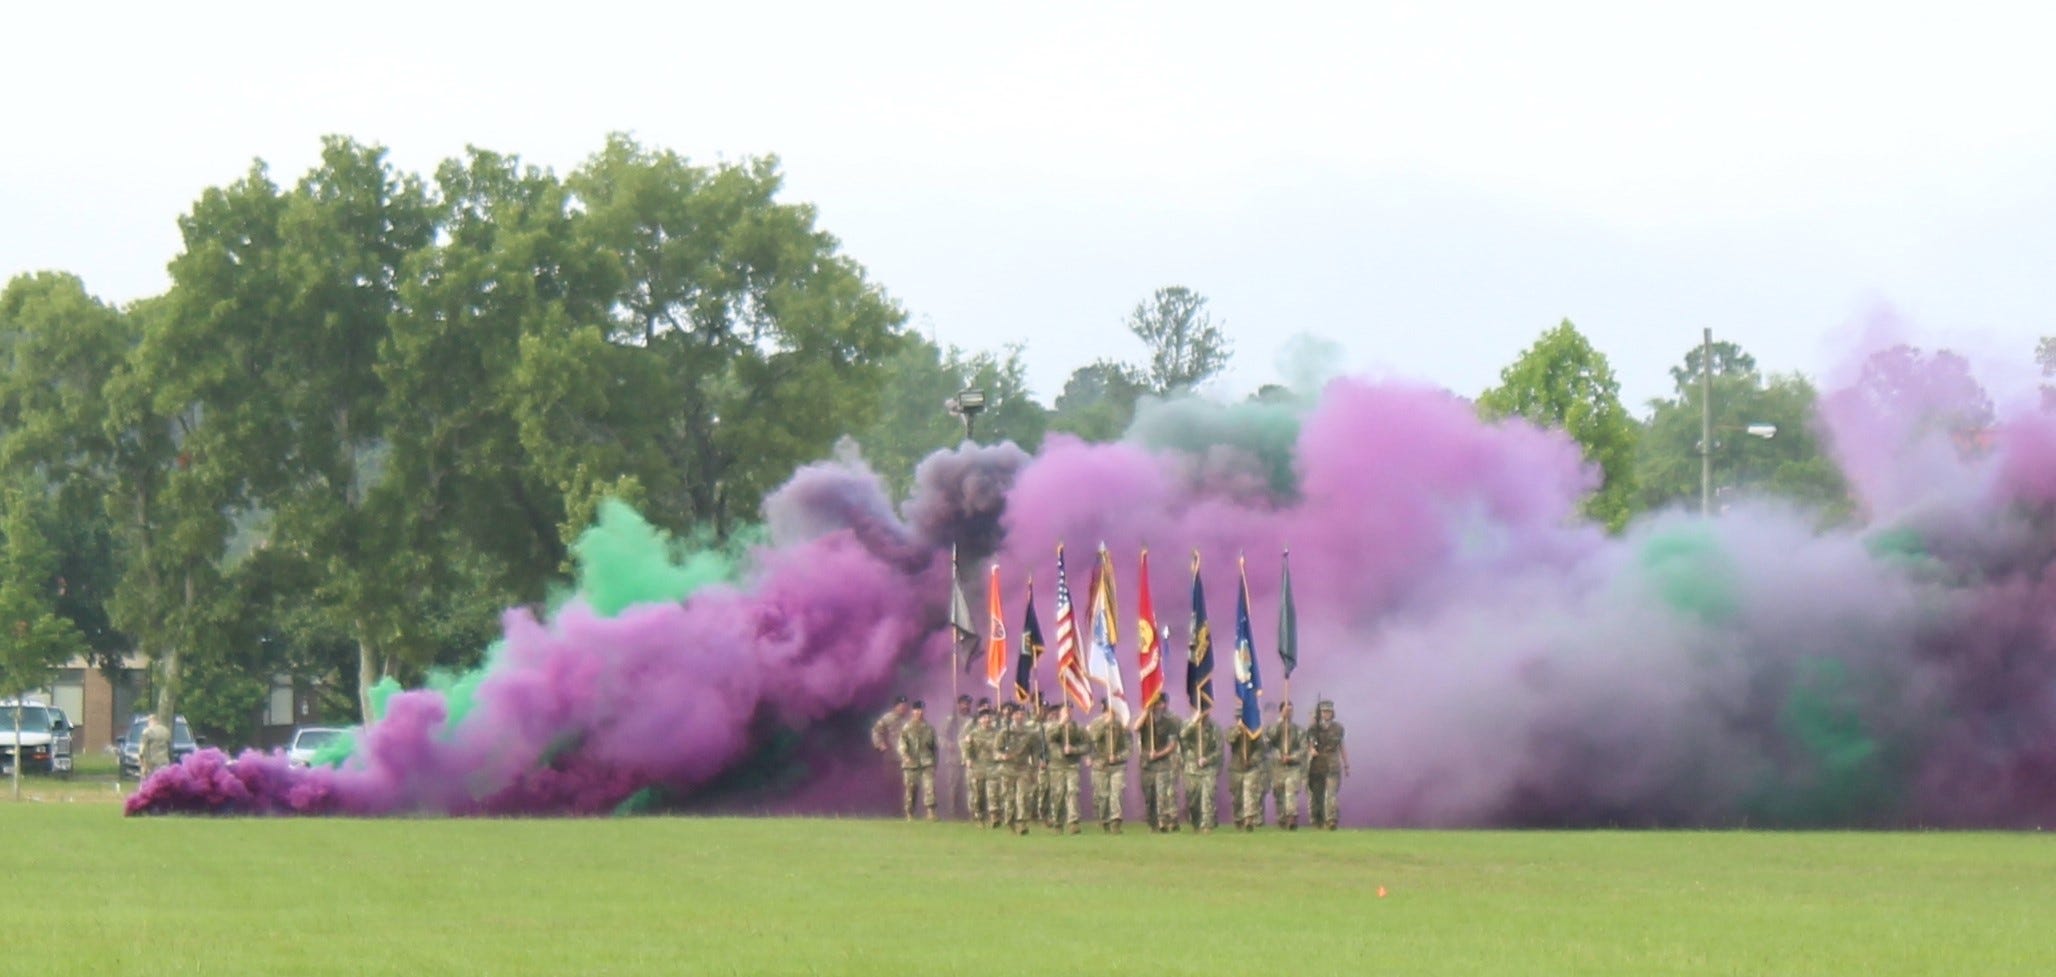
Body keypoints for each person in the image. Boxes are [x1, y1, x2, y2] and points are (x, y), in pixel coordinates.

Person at [994, 702, 1042, 835]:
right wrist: (1002, 756)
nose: (1020, 716)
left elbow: (1035, 752)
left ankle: (1022, 823)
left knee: (1023, 796)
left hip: (1023, 768)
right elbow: (996, 751)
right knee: (1008, 798)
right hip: (1007, 769)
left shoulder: (1031, 734)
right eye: (1017, 714)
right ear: (1013, 716)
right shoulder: (1004, 732)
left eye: (1022, 714)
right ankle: (1010, 820)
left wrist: (1035, 767)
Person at [1084, 699, 1131, 833]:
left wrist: (1118, 757)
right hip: (1100, 766)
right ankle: (1103, 821)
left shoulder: (1123, 725)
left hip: (1117, 766)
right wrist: (1104, 724)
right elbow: (1091, 739)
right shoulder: (1096, 724)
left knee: (1116, 794)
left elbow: (1128, 749)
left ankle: (1116, 822)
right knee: (1102, 796)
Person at [1138, 698, 1182, 833]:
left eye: (1159, 704)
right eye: (1155, 704)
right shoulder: (1146, 720)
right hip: (1147, 764)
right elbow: (1135, 727)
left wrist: (1158, 754)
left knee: (1162, 794)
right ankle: (1153, 823)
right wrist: (1146, 711)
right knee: (1149, 794)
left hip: (1163, 763)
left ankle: (1163, 822)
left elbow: (1172, 745)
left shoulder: (1170, 722)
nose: (1158, 707)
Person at [1177, 706, 1223, 833]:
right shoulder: (1187, 725)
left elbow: (1219, 751)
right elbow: (1182, 736)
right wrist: (1194, 722)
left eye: (1205, 710)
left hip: (1208, 769)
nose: (1203, 713)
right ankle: (1197, 823)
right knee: (1193, 799)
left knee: (1208, 796)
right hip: (1191, 768)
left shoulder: (1215, 729)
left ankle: (1207, 825)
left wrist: (1208, 759)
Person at [1044, 701, 1088, 834]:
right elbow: (1049, 738)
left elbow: (1086, 746)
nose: (1068, 713)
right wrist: (1061, 724)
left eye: (1070, 710)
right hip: (1057, 766)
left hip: (1072, 765)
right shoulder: (1051, 726)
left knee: (1072, 792)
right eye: (1065, 710)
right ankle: (1058, 822)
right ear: (1060, 712)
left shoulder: (1078, 728)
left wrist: (1074, 749)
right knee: (1058, 795)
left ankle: (1073, 822)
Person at [1307, 700, 1349, 830]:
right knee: (1317, 795)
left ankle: (1331, 820)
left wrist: (1346, 764)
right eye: (1324, 712)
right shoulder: (1314, 728)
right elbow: (1309, 743)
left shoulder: (1338, 728)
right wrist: (1311, 750)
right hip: (1317, 764)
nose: (1326, 714)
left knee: (1331, 794)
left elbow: (1342, 746)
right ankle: (1317, 820)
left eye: (1329, 712)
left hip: (1332, 763)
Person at [1266, 700, 1308, 830]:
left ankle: (1291, 817)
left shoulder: (1299, 730)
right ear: (1281, 711)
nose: (1289, 712)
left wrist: (1291, 757)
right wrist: (1279, 755)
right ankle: (1282, 819)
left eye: (1291, 710)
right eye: (1286, 710)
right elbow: (1268, 744)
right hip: (1277, 767)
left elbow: (1303, 748)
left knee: (1291, 791)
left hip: (1293, 767)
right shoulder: (1273, 728)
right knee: (1279, 794)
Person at [896, 700, 939, 821]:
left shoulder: (929, 728)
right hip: (911, 763)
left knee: (929, 787)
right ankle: (910, 813)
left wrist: (935, 762)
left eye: (921, 710)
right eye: (916, 710)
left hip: (927, 762)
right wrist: (905, 755)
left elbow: (935, 747)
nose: (919, 712)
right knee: (911, 789)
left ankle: (931, 812)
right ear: (912, 711)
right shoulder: (907, 727)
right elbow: (901, 744)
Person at [1227, 712, 1267, 831]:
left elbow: (1261, 750)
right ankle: (1239, 820)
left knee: (1250, 794)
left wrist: (1252, 761)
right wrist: (1239, 730)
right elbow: (1229, 739)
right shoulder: (1232, 730)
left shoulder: (1256, 732)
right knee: (1238, 797)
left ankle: (1249, 820)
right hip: (1236, 769)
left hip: (1251, 769)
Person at [963, 706, 1001, 827]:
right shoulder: (973, 734)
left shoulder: (997, 733)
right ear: (979, 720)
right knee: (978, 795)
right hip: (978, 766)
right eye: (984, 717)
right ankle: (979, 817)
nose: (987, 719)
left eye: (989, 717)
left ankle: (994, 816)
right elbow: (966, 749)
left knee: (993, 792)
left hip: (992, 766)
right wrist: (968, 759)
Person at [940, 695, 973, 820]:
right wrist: (948, 744)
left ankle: (970, 813)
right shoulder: (951, 720)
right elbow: (940, 737)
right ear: (958, 705)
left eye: (968, 704)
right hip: (954, 759)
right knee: (953, 787)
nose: (966, 706)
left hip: (969, 759)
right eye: (963, 704)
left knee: (969, 787)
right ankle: (953, 813)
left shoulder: (973, 720)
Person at [139, 714, 172, 778]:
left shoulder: (147, 732)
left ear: (150, 721)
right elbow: (169, 749)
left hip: (152, 765)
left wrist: (143, 765)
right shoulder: (166, 731)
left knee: (150, 785)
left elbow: (142, 751)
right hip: (165, 763)